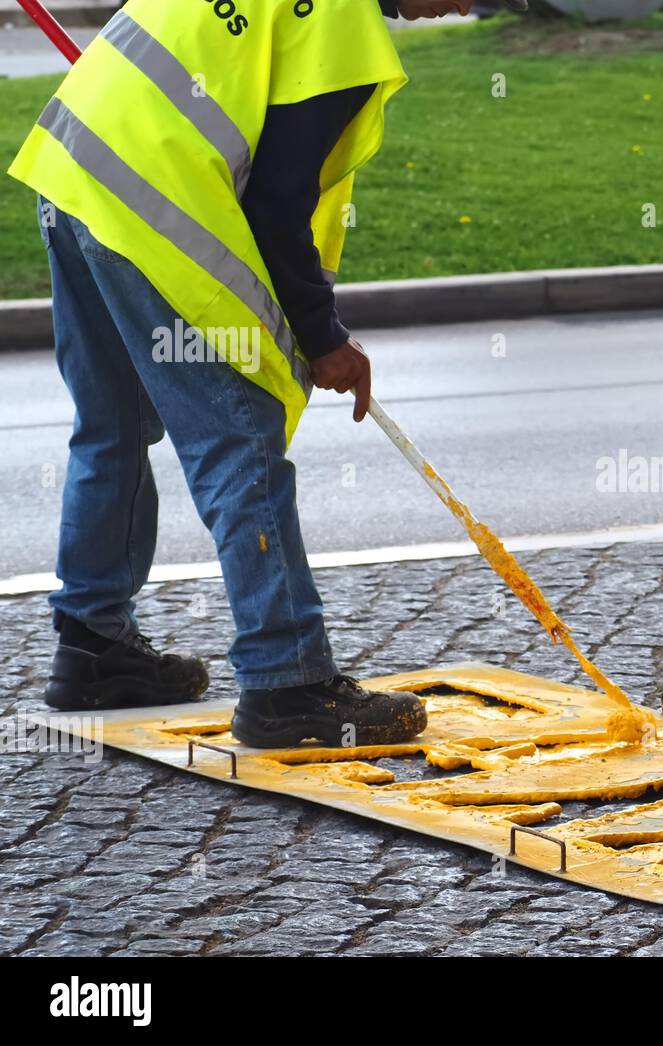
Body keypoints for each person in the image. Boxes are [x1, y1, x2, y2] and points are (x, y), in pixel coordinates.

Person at [6, 0, 521, 747]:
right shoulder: (341, 25)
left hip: (77, 168)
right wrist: (323, 337)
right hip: (146, 189)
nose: (467, 8)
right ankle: (289, 684)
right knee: (238, 439)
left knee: (112, 426)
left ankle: (94, 648)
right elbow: (279, 206)